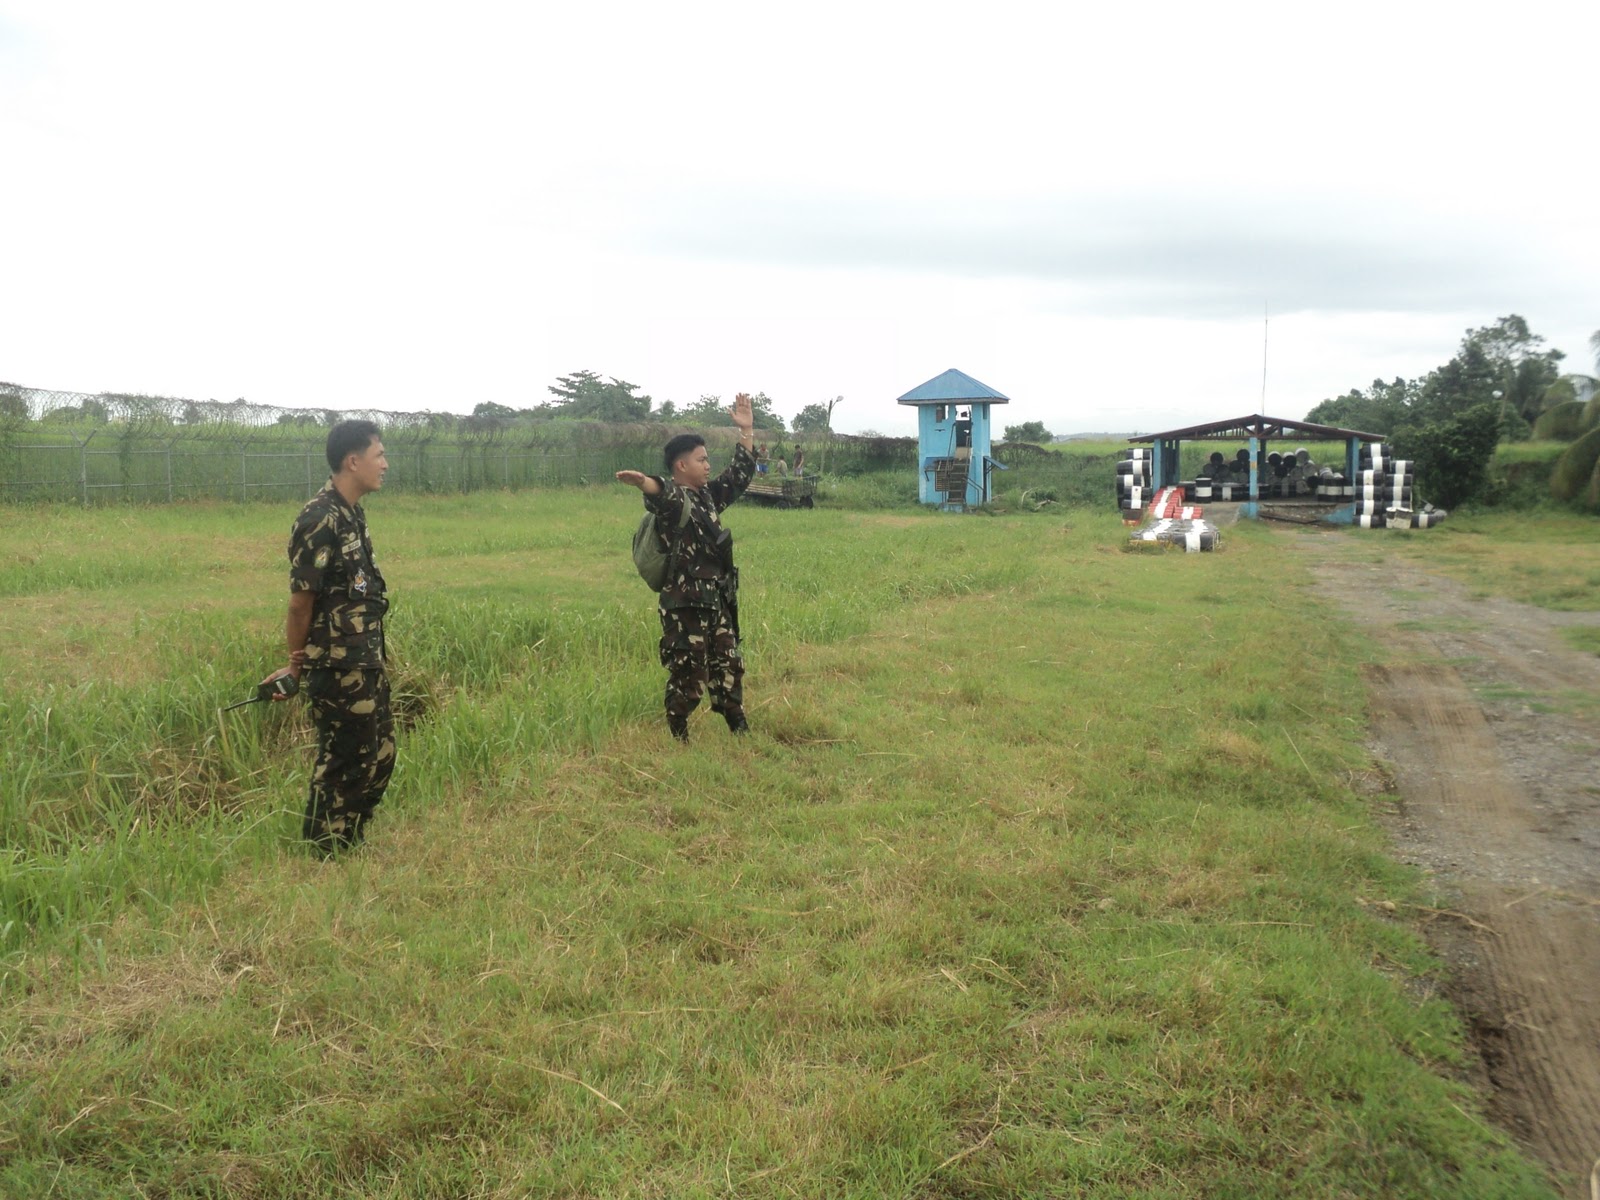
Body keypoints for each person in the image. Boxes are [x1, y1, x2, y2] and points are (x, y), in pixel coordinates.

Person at [263, 420, 394, 856]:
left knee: (379, 757)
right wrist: (296, 664)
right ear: (352, 461)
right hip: (336, 665)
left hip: (365, 658)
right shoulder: (319, 518)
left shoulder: (351, 512)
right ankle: (324, 853)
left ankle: (349, 839)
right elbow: (302, 602)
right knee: (342, 762)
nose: (385, 464)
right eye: (379, 455)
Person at [616, 393, 756, 743]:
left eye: (708, 459)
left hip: (717, 601)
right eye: (702, 460)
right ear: (682, 466)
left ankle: (738, 726)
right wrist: (642, 482)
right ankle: (678, 733)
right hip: (686, 606)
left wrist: (747, 431)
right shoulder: (676, 499)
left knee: (728, 664)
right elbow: (658, 492)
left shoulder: (708, 496)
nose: (708, 465)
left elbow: (739, 475)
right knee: (688, 672)